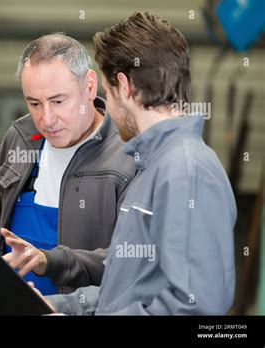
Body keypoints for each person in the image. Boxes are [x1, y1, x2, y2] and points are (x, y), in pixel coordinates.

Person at [34, 12, 235, 314]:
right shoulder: (153, 166)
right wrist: (57, 306)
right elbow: (125, 286)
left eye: (106, 93)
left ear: (125, 87)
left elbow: (195, 308)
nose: (108, 107)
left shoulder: (186, 172)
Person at [0, 33, 136, 295]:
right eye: (34, 103)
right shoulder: (22, 137)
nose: (47, 119)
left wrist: (51, 262)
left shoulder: (127, 155)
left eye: (58, 101)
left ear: (89, 86)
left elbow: (130, 258)